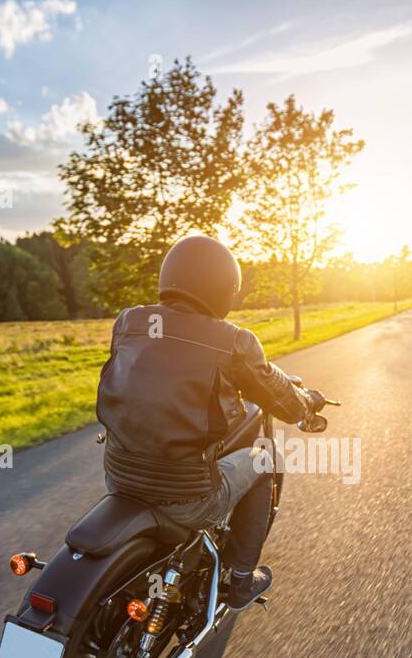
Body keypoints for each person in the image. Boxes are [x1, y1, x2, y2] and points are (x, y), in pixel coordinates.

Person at [95, 235, 327, 611]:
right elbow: (278, 398)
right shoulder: (233, 341)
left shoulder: (129, 322)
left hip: (117, 478)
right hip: (187, 496)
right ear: (223, 289)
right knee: (264, 459)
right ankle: (239, 580)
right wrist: (305, 404)